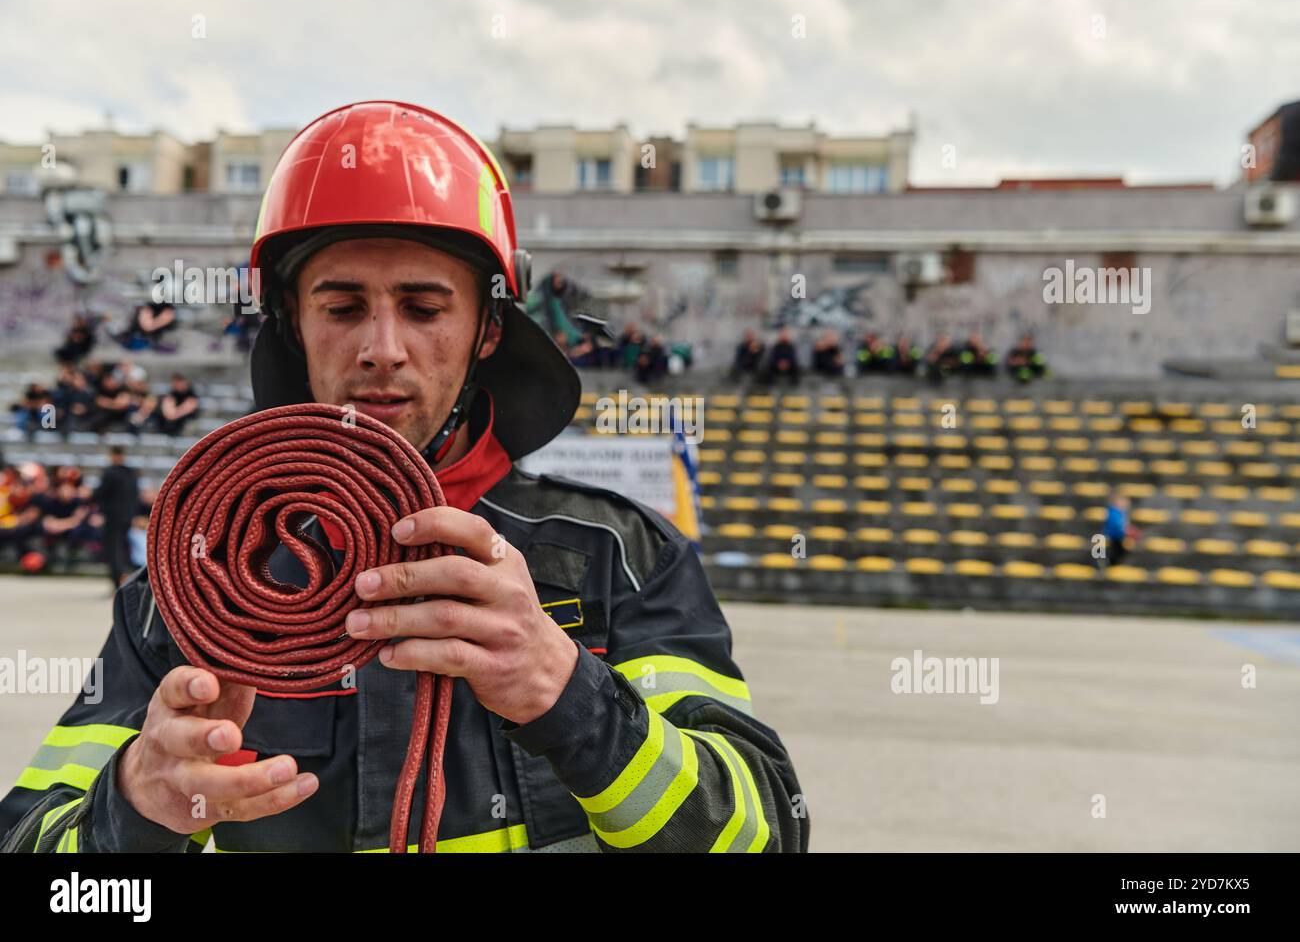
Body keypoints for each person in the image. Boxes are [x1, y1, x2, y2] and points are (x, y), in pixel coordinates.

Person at [0, 100, 808, 855]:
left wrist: (566, 692)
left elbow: (765, 834)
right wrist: (135, 807)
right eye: (343, 306)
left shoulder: (620, 558)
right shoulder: (192, 584)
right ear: (293, 325)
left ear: (488, 328)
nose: (382, 347)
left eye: (424, 308)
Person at [93, 447, 139, 587]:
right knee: (124, 547)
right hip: (127, 517)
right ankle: (127, 578)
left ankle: (117, 579)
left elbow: (99, 494)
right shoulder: (131, 473)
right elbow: (135, 496)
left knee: (114, 549)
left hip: (112, 517)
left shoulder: (110, 473)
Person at [1100, 494, 1139, 566]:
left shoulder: (1121, 513)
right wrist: (1126, 531)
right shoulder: (1114, 513)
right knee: (1115, 554)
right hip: (1114, 537)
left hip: (1119, 537)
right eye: (1123, 501)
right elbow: (1117, 526)